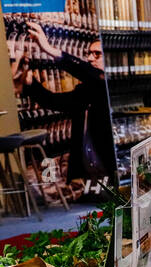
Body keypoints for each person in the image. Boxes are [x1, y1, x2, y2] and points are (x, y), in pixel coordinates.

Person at [17, 23, 114, 189]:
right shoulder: (86, 90)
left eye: (97, 54)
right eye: (89, 54)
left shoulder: (108, 88)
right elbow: (53, 102)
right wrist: (30, 83)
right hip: (90, 177)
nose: (90, 58)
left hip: (111, 174)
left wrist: (49, 48)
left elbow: (90, 74)